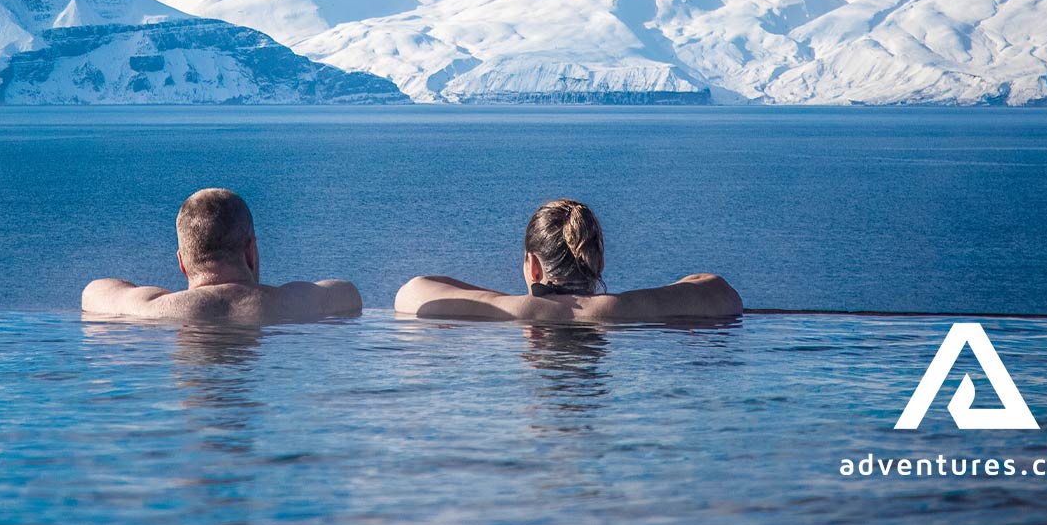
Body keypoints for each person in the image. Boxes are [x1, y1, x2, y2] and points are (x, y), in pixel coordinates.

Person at [394, 198, 742, 322]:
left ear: (533, 264)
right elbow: (718, 290)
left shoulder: (511, 311)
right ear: (597, 261)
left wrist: (510, 298)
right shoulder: (627, 309)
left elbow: (412, 291)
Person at [82, 188, 362, 322]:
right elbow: (348, 291)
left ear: (181, 262)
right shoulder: (295, 304)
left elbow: (93, 291)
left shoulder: (151, 310)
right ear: (251, 251)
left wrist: (162, 297)